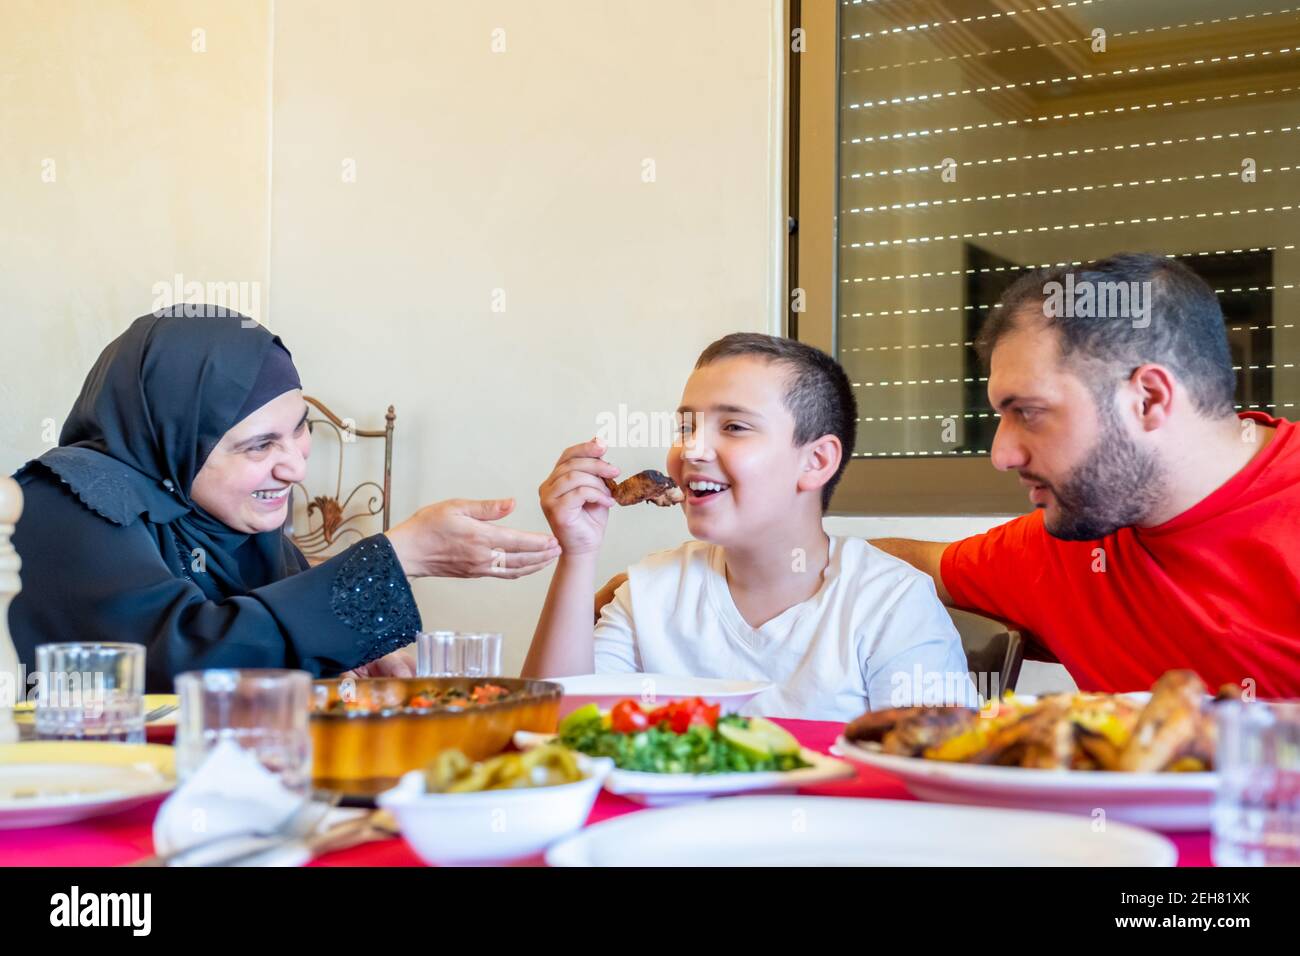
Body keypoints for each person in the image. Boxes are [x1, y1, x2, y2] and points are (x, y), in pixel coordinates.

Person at [11, 308, 560, 691]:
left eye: (300, 430)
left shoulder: (229, 514)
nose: (295, 467)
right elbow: (178, 665)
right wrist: (395, 559)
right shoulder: (65, 504)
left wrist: (357, 657)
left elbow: (272, 631)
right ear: (174, 439)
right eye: (259, 445)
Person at [872, 253, 1300, 696]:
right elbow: (907, 565)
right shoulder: (1070, 545)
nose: (1001, 455)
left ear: (1148, 400)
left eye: (1029, 412)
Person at [521, 333, 974, 720]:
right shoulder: (650, 594)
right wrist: (577, 553)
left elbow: (939, 775)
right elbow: (555, 732)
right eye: (686, 427)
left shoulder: (891, 603)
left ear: (815, 461)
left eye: (734, 426)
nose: (693, 449)